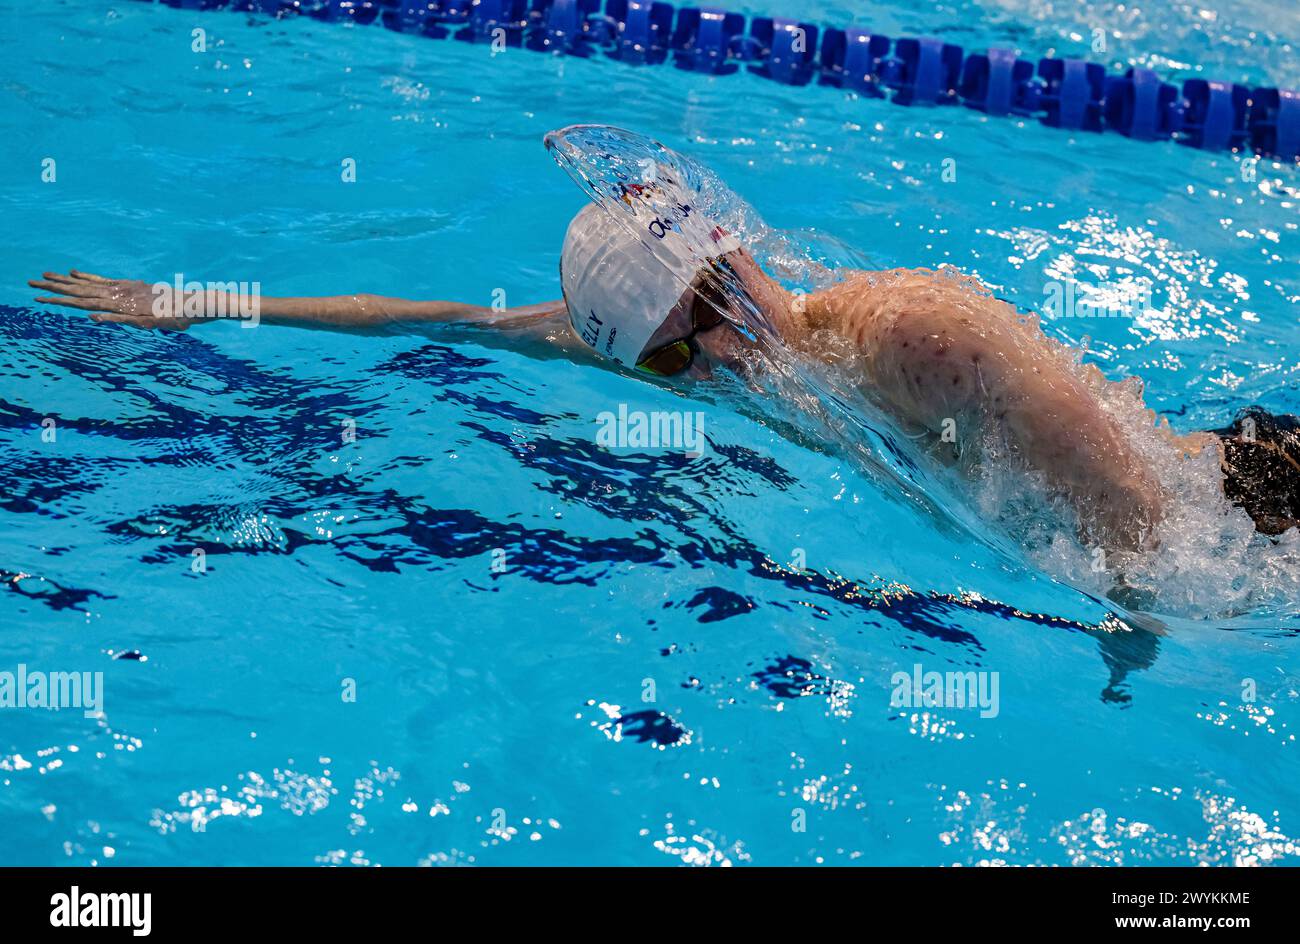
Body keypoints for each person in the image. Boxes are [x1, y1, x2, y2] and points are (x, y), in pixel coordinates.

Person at [28, 193, 1298, 562]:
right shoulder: (680, 347)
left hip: (1242, 504)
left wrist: (1139, 633)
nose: (707, 373)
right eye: (668, 360)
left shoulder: (909, 336)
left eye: (699, 336)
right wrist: (188, 301)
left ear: (726, 276)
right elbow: (431, 317)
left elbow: (1134, 507)